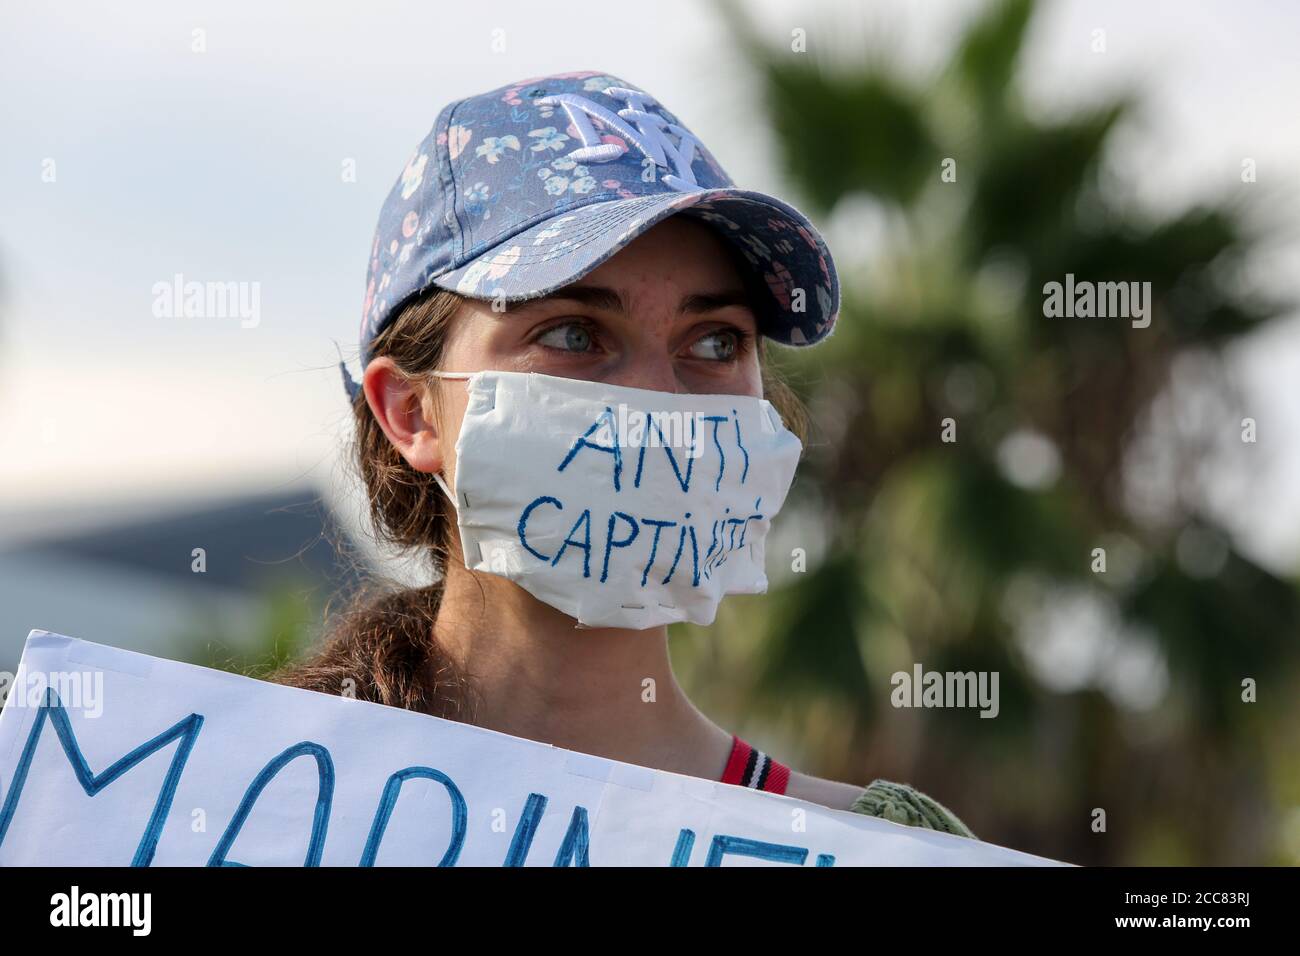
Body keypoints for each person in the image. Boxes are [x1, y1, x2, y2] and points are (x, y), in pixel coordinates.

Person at [274, 70, 973, 840]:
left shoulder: (890, 852)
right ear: (411, 411)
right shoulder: (239, 803)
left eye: (714, 343)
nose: (661, 401)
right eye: (574, 334)